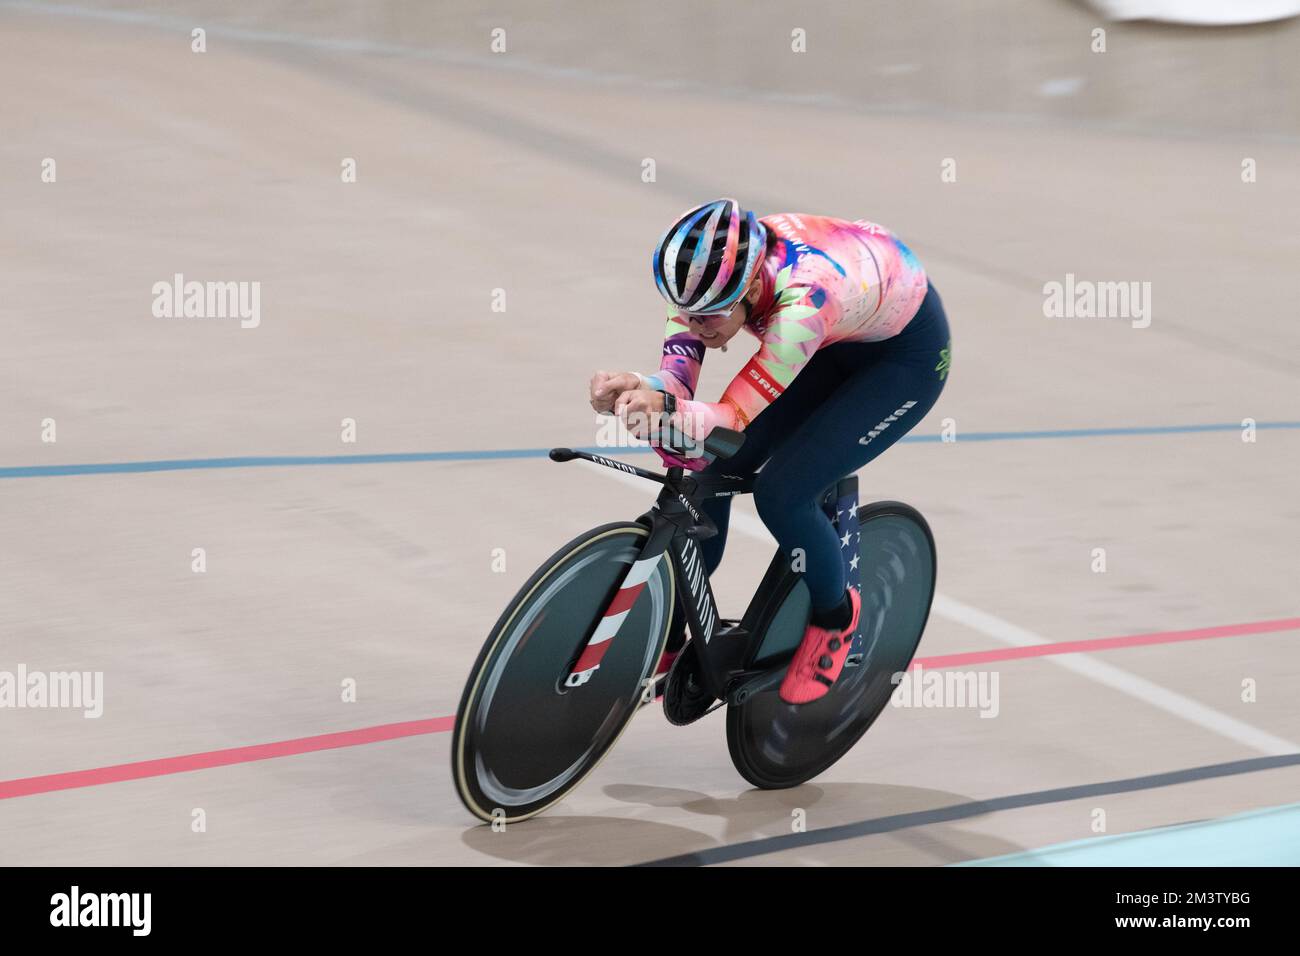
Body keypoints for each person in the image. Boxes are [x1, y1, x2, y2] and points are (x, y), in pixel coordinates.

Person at [589, 199, 950, 704]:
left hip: (900, 361)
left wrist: (665, 408)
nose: (694, 326)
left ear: (751, 288)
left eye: (710, 317)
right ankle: (679, 612)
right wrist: (641, 385)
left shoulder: (803, 302)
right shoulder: (701, 281)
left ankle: (834, 621)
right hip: (836, 334)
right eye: (684, 313)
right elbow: (678, 383)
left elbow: (732, 416)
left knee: (785, 492)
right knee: (711, 467)